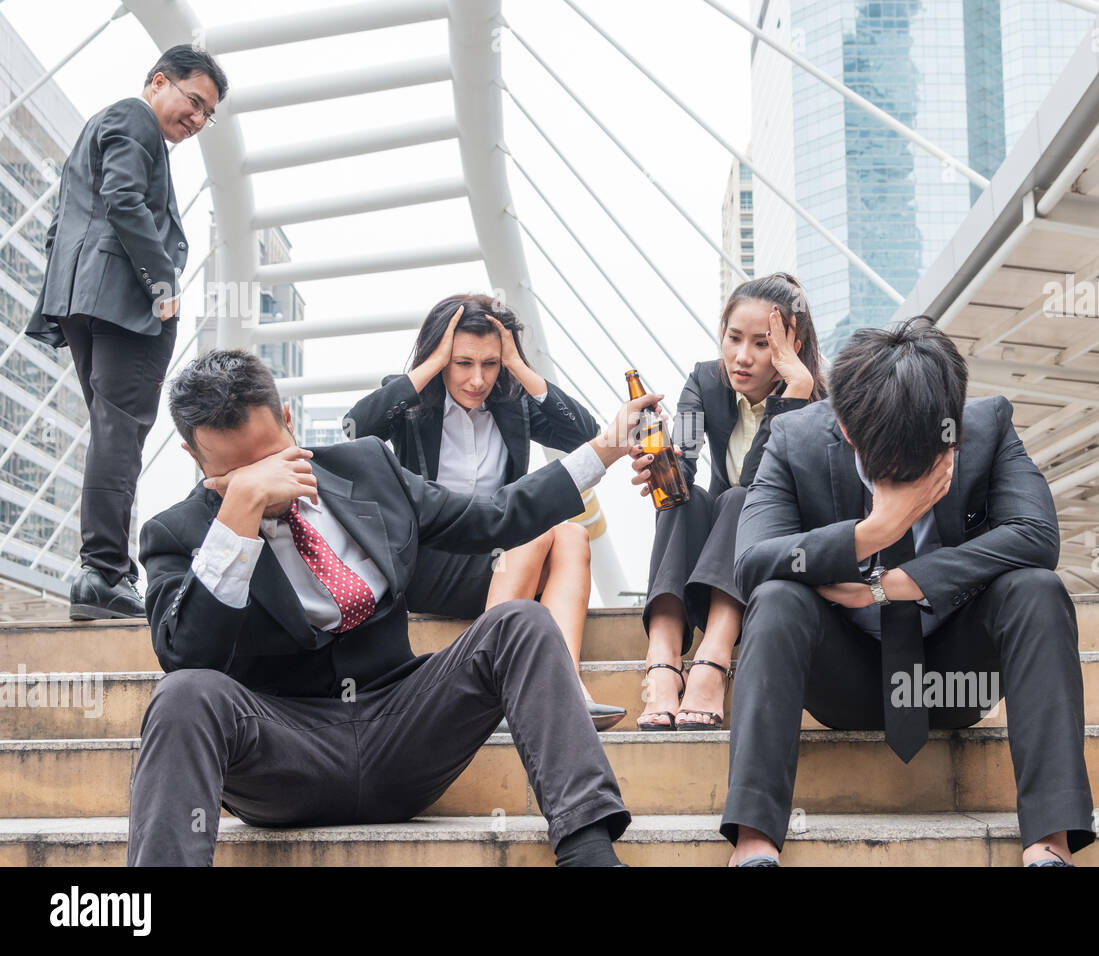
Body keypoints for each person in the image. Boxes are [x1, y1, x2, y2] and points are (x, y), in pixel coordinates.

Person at [127, 349, 661, 866]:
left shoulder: (368, 466)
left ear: (288, 418)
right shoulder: (177, 533)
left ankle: (588, 851)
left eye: (270, 459)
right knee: (182, 694)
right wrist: (237, 513)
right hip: (286, 757)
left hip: (404, 732)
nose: (265, 483)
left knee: (520, 623)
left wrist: (607, 447)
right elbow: (188, 654)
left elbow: (494, 516)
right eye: (238, 475)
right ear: (194, 460)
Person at [722, 317, 1095, 867]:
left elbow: (1037, 536)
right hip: (842, 679)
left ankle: (1049, 844)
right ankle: (754, 843)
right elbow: (753, 561)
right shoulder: (795, 438)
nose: (904, 475)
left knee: (1036, 589)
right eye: (888, 465)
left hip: (952, 680)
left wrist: (898, 584)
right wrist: (873, 532)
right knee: (777, 598)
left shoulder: (985, 427)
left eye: (921, 462)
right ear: (846, 429)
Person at [344, 294, 623, 729]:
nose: (477, 380)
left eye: (490, 364)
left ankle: (564, 682)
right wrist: (431, 367)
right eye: (463, 363)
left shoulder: (513, 404)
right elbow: (354, 430)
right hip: (428, 563)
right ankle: (491, 675)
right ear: (440, 358)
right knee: (536, 525)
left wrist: (518, 366)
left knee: (571, 534)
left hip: (501, 563)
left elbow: (585, 437)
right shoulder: (412, 404)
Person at [26, 45, 229, 621]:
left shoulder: (106, 126)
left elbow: (62, 224)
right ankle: (104, 573)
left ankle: (103, 572)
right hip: (124, 304)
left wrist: (65, 294)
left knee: (112, 436)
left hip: (87, 302)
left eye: (206, 115)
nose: (196, 121)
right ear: (159, 81)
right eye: (194, 103)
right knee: (122, 436)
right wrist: (162, 284)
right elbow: (123, 200)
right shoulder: (132, 119)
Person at [634, 274, 823, 731]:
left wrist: (793, 396)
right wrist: (660, 463)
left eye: (762, 344)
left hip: (778, 553)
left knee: (742, 496)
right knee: (680, 497)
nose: (742, 357)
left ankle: (712, 660)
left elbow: (765, 489)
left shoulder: (818, 403)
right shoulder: (705, 381)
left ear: (791, 343)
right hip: (720, 552)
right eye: (734, 338)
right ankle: (662, 656)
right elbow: (686, 467)